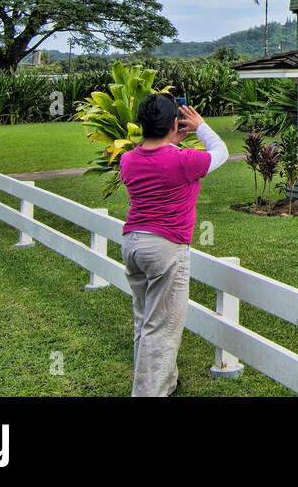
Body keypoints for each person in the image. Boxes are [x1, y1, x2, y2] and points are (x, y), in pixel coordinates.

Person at [119, 94, 228, 396]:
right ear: (173, 124)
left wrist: (171, 139)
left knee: (145, 319)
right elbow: (220, 152)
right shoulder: (183, 160)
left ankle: (166, 384)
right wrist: (202, 127)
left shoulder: (127, 160)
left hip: (133, 244)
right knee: (164, 328)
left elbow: (157, 160)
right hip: (166, 246)